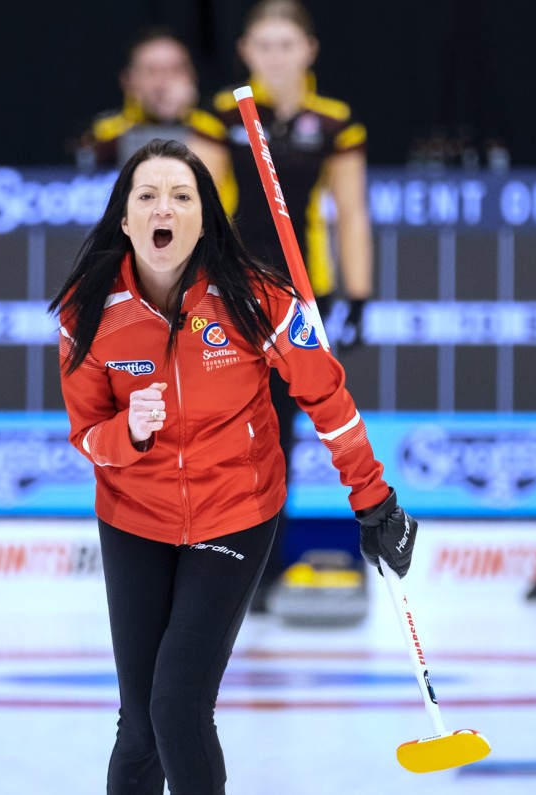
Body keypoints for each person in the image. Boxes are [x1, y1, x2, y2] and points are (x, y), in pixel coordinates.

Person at [49, 137, 416, 795]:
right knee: (138, 727)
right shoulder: (87, 311)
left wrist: (374, 500)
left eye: (182, 196)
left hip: (235, 512)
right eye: (149, 196)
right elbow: (85, 436)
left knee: (176, 706)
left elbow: (326, 396)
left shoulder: (255, 297)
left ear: (203, 217)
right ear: (126, 219)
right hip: (134, 518)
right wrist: (127, 433)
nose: (166, 207)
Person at [187, 0, 375, 610]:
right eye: (262, 45)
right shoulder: (220, 115)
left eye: (286, 44)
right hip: (231, 293)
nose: (275, 56)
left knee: (279, 434)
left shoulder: (335, 120)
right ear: (245, 51)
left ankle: (262, 577)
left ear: (309, 50)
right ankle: (204, 566)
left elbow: (352, 212)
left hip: (296, 296)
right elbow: (199, 206)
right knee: (220, 431)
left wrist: (359, 293)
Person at [75, 28, 200, 171]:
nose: (163, 84)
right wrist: (168, 122)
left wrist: (182, 118)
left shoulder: (217, 126)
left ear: (192, 77)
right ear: (128, 81)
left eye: (175, 70)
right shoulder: (104, 135)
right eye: (151, 71)